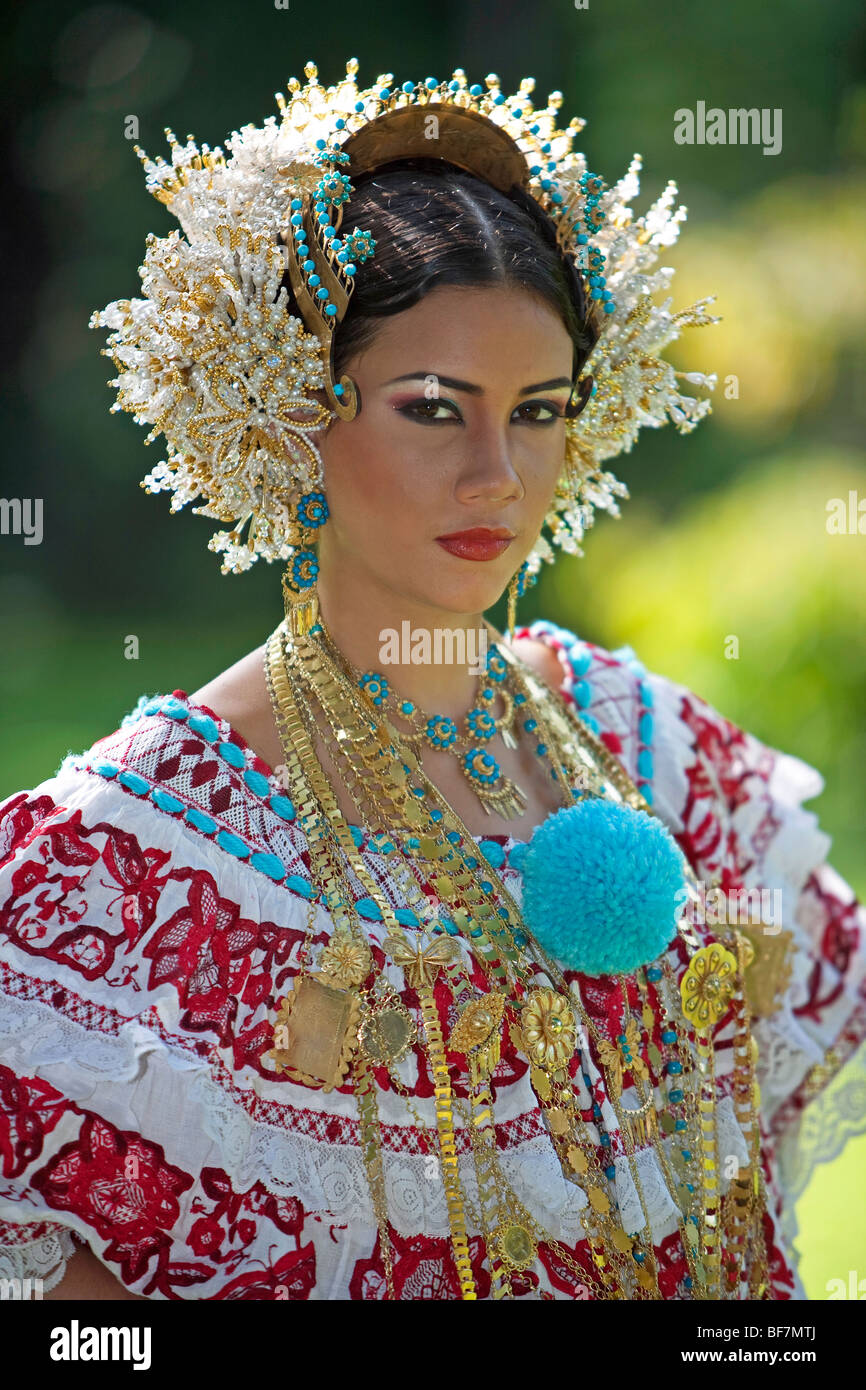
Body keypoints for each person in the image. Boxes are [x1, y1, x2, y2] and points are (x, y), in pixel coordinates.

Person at [1, 61, 863, 1302]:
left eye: (537, 410)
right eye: (430, 408)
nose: (495, 476)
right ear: (289, 411)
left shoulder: (662, 756)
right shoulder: (107, 873)